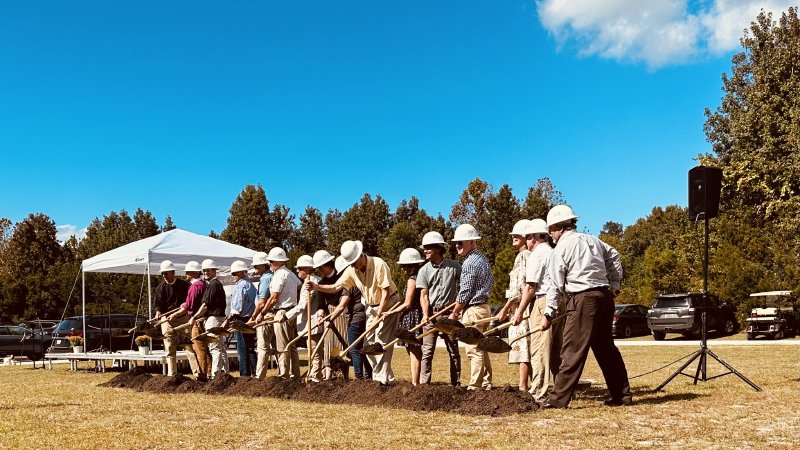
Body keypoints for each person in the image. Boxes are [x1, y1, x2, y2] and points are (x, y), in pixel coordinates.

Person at [539, 205, 632, 408]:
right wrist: (615, 285)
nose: (550, 234)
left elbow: (555, 285)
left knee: (572, 349)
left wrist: (548, 312)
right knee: (606, 348)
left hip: (582, 299)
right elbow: (614, 256)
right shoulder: (593, 240)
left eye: (551, 230)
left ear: (560, 227)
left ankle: (557, 400)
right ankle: (622, 396)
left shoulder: (560, 250)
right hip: (604, 297)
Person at [308, 240, 400, 385]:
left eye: (355, 262)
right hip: (372, 306)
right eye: (351, 264)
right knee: (368, 343)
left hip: (388, 304)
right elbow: (336, 287)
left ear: (362, 256)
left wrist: (379, 315)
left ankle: (381, 380)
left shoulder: (378, 264)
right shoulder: (352, 270)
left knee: (381, 342)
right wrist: (316, 286)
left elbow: (385, 292)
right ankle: (386, 378)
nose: (355, 266)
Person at [512, 218, 563, 401]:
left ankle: (537, 393)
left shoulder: (537, 255)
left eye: (527, 237)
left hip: (543, 302)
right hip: (557, 302)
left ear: (533, 237)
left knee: (539, 350)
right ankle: (561, 392)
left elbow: (531, 287)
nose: (526, 241)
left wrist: (519, 312)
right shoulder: (552, 252)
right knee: (557, 351)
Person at [448, 224, 494, 391]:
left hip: (474, 310)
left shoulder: (469, 263)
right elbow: (491, 282)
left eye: (461, 242)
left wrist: (455, 312)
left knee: (473, 349)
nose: (457, 246)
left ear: (472, 241)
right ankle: (487, 383)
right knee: (482, 347)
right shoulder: (482, 258)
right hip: (484, 307)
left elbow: (465, 291)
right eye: (456, 243)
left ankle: (475, 385)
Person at [418, 231, 461, 386]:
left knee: (453, 351)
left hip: (449, 315)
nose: (425, 250)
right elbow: (424, 295)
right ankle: (424, 386)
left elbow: (464, 288)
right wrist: (425, 314)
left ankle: (456, 384)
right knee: (427, 352)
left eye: (428, 247)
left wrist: (458, 310)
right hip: (432, 315)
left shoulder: (454, 266)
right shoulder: (423, 270)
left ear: (438, 248)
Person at [256, 247, 301, 379]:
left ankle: (284, 375)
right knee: (291, 346)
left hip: (282, 311)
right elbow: (299, 287)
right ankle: (295, 374)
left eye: (271, 261)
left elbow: (274, 298)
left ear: (277, 262)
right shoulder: (291, 274)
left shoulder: (279, 275)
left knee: (282, 346)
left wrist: (262, 313)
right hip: (291, 310)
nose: (269, 264)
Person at [498, 220, 532, 392]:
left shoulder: (523, 256)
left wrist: (505, 308)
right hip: (519, 306)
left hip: (521, 307)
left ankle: (523, 386)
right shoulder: (522, 256)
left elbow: (520, 288)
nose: (513, 238)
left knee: (523, 346)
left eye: (517, 235)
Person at [281, 255, 326, 382]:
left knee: (315, 353)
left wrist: (286, 316)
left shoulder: (312, 282)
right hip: (309, 323)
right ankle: (314, 376)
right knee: (313, 352)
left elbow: (303, 306)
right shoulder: (310, 281)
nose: (297, 271)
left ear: (307, 269)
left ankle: (315, 378)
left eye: (299, 268)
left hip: (313, 324)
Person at [325, 255, 370, 380]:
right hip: (364, 316)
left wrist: (330, 320)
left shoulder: (349, 286)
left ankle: (359, 377)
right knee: (361, 348)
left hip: (356, 319)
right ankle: (368, 375)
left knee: (354, 349)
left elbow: (340, 306)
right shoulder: (360, 280)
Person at [167, 260, 210, 381]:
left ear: (192, 273)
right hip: (201, 318)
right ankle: (208, 372)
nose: (186, 274)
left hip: (196, 320)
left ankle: (202, 375)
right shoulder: (204, 284)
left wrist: (175, 314)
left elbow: (189, 306)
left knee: (198, 347)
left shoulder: (195, 286)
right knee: (203, 348)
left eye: (187, 272)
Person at [311, 250, 349, 380]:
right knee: (328, 347)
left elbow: (343, 298)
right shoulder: (321, 282)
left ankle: (344, 375)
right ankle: (328, 375)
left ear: (328, 265)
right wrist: (321, 315)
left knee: (340, 346)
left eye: (320, 268)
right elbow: (321, 304)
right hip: (328, 315)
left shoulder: (341, 277)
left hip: (341, 314)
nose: (319, 271)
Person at [189, 259, 229, 379]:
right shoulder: (215, 284)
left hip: (214, 319)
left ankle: (216, 375)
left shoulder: (213, 284)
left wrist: (195, 317)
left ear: (214, 270)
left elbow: (206, 305)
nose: (206, 272)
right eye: (205, 270)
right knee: (220, 347)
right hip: (217, 318)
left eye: (209, 270)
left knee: (215, 348)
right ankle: (224, 374)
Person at [152, 260, 192, 377]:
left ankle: (198, 373)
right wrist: (158, 312)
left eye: (166, 273)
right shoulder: (160, 288)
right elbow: (157, 304)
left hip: (182, 318)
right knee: (169, 348)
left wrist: (184, 304)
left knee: (189, 346)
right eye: (163, 273)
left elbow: (190, 300)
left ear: (173, 272)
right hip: (167, 320)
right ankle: (172, 375)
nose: (164, 275)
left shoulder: (184, 285)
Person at [394, 248, 426, 385]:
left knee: (414, 351)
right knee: (413, 351)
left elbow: (407, 303)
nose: (402, 269)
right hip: (412, 316)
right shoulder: (419, 276)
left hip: (412, 317)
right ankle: (416, 381)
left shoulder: (412, 280)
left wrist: (391, 313)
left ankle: (415, 383)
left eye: (404, 266)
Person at [229, 260, 257, 377]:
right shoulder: (251, 285)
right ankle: (255, 373)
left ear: (241, 273)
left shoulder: (241, 285)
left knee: (242, 349)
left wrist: (231, 317)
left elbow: (237, 306)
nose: (233, 276)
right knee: (250, 348)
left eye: (234, 274)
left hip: (241, 319)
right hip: (250, 319)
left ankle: (244, 375)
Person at [249, 251, 274, 380]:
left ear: (264, 266)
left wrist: (254, 317)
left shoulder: (265, 278)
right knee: (277, 347)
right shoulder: (273, 275)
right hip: (272, 314)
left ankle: (259, 376)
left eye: (257, 266)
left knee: (262, 346)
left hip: (265, 315)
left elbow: (261, 302)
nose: (255, 269)